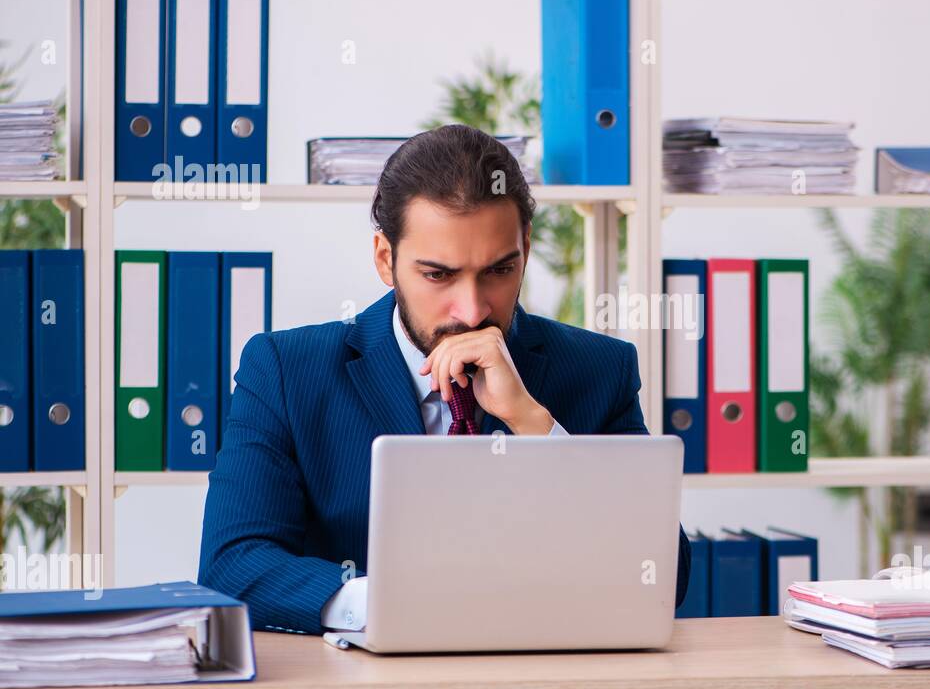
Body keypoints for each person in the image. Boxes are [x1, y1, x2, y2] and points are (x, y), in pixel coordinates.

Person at [197, 124, 690, 634]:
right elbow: (232, 567)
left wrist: (535, 426)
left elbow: (662, 575)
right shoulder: (286, 370)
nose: (473, 310)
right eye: (439, 275)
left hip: (545, 686)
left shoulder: (598, 371)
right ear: (386, 260)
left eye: (499, 271)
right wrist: (391, 604)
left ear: (524, 248)